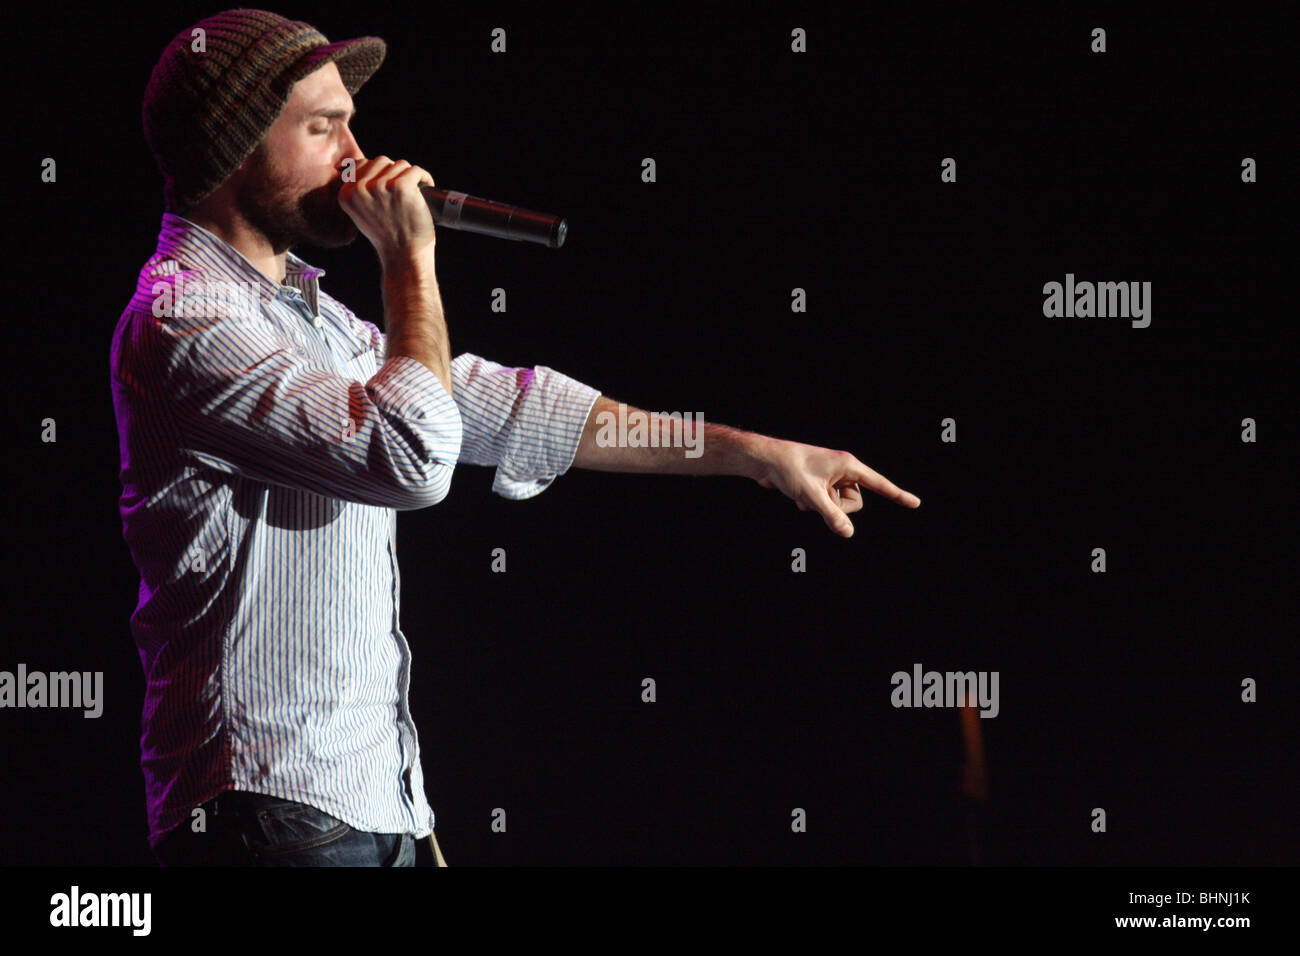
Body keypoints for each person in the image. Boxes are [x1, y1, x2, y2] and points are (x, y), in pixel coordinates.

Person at [112, 9, 922, 867]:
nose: (357, 153)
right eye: (323, 127)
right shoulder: (186, 318)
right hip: (268, 811)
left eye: (351, 120)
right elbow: (413, 455)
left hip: (359, 800)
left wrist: (754, 454)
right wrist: (409, 263)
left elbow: (506, 406)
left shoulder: (305, 314)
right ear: (233, 147)